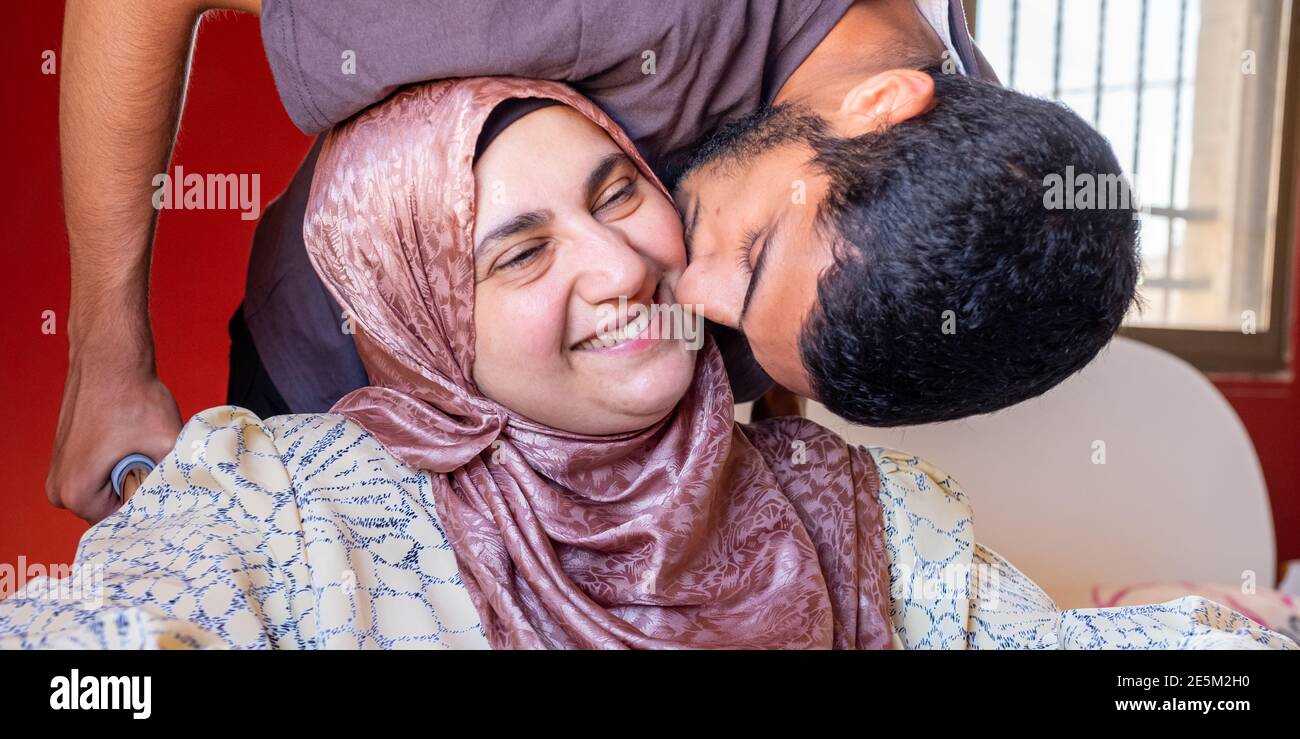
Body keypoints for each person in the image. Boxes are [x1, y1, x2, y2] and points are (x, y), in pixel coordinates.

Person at [7, 79, 1290, 650]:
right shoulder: (284, 504)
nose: (626, 269)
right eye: (516, 257)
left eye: (619, 190)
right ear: (419, 324)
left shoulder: (850, 503)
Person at [50, 0, 1005, 523]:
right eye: (748, 264)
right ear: (882, 102)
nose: (684, 294)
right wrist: (108, 363)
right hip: (339, 377)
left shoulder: (962, 143)